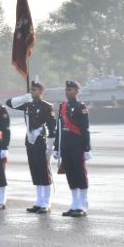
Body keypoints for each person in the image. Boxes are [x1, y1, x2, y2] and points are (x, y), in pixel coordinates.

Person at [6, 80, 58, 213]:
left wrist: (50, 148)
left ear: (41, 91)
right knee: (35, 172)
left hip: (41, 141)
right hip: (29, 141)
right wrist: (23, 98)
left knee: (43, 173)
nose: (33, 92)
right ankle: (39, 202)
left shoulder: (47, 107)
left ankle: (46, 203)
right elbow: (9, 103)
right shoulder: (27, 105)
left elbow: (52, 129)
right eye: (31, 90)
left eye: (35, 90)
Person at [54, 80, 92, 217]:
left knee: (80, 174)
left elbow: (85, 129)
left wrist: (87, 148)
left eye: (70, 90)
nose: (67, 92)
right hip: (65, 145)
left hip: (77, 145)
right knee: (70, 174)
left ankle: (83, 204)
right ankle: (74, 204)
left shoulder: (81, 107)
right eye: (66, 90)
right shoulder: (62, 107)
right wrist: (56, 147)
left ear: (76, 91)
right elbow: (59, 128)